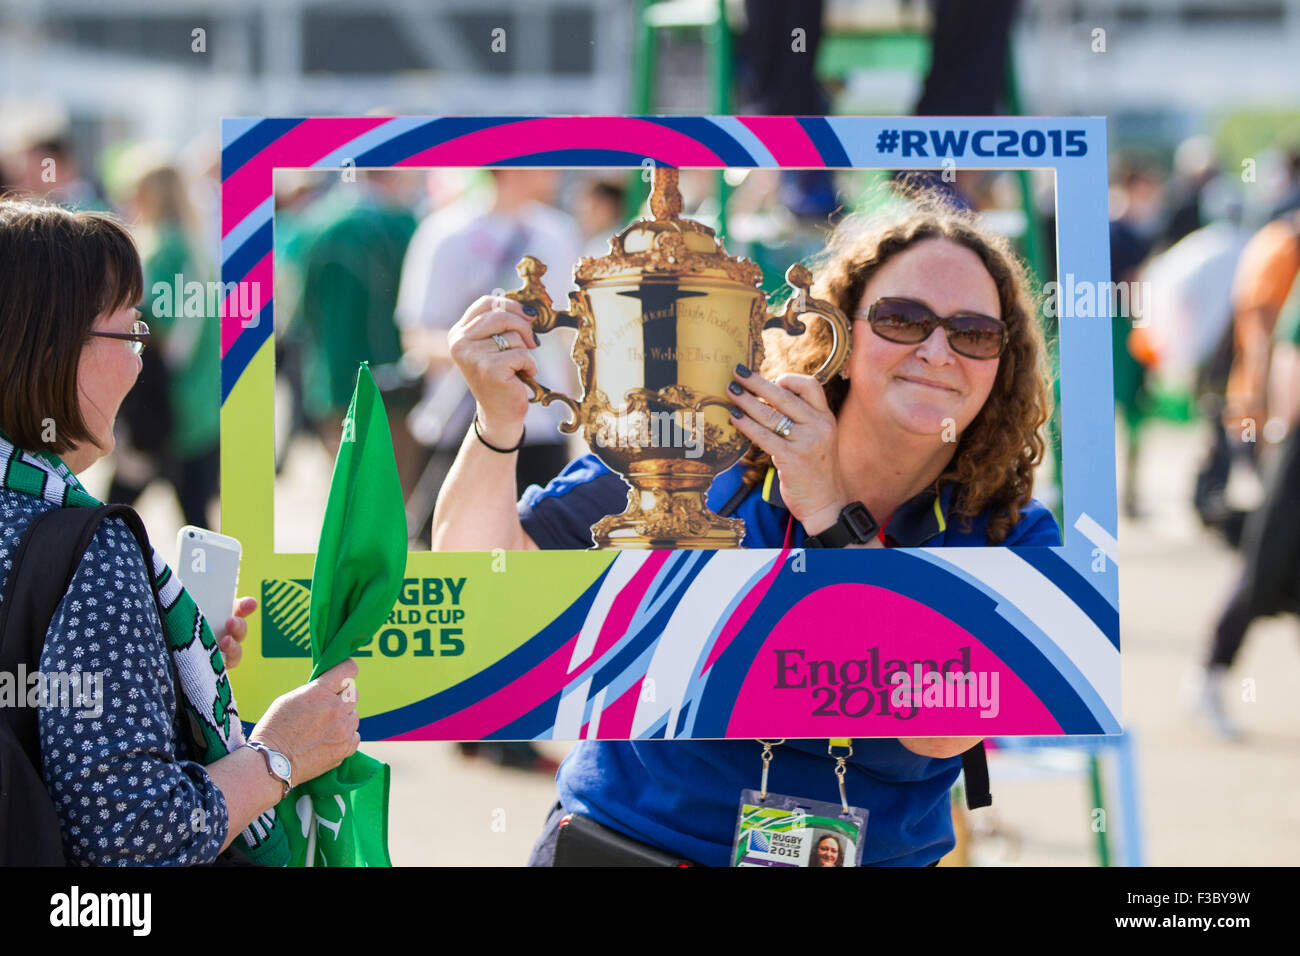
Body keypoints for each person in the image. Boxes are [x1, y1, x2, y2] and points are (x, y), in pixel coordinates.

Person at [431, 189, 1060, 867]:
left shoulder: (1008, 533)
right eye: (903, 320)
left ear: (1001, 366)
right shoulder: (706, 446)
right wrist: (497, 421)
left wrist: (829, 510)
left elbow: (942, 727)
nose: (938, 351)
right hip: (630, 850)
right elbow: (483, 578)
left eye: (973, 333)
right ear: (840, 339)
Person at [0, 198, 361, 865]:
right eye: (129, 332)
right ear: (50, 349)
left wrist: (151, 675)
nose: (142, 362)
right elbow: (134, 837)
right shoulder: (88, 549)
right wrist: (282, 753)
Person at [106, 161, 221, 528]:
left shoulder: (167, 250)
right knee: (194, 515)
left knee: (116, 506)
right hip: (192, 399)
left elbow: (168, 332)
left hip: (169, 399)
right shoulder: (190, 245)